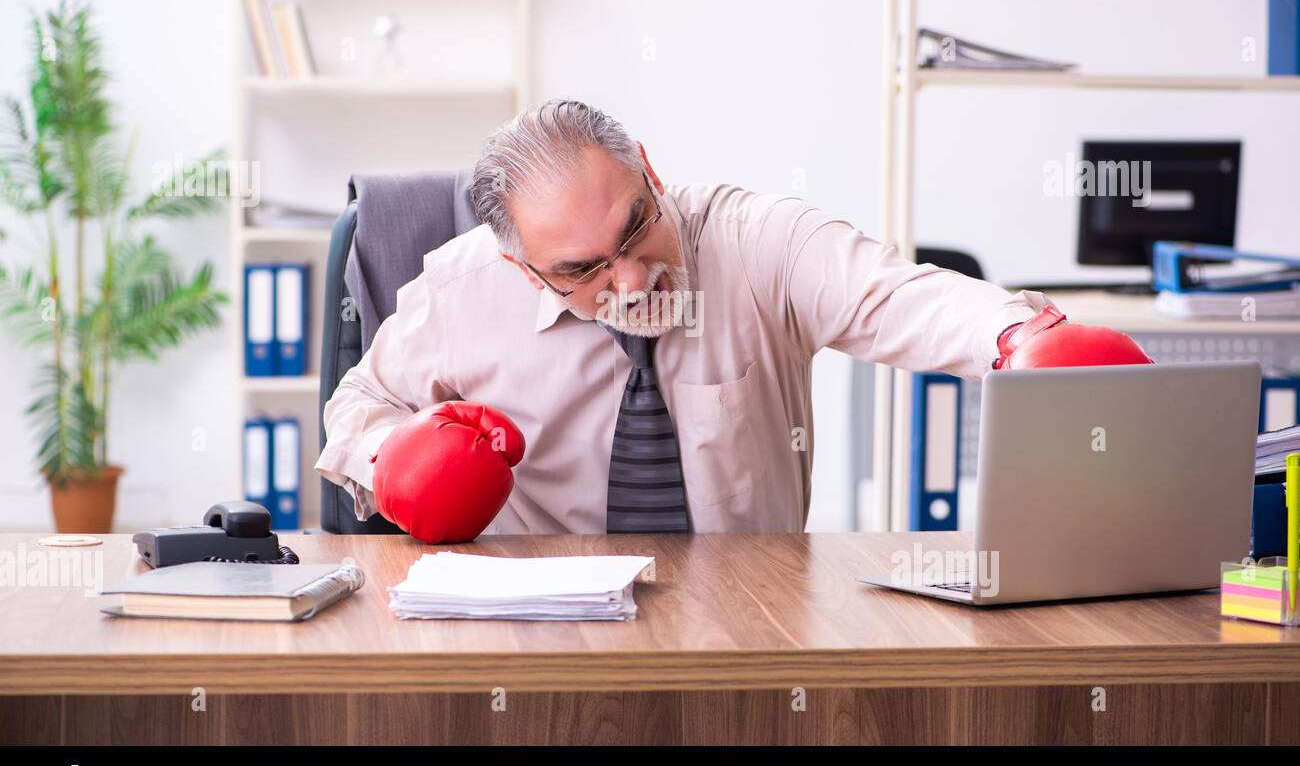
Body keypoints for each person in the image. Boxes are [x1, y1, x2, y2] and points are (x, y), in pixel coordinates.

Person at [315, 99, 1149, 538]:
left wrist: (1019, 337)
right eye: (581, 270)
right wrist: (396, 454)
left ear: (647, 166)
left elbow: (898, 294)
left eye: (637, 224)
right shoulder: (465, 287)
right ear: (519, 264)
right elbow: (356, 406)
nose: (634, 277)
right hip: (545, 637)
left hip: (754, 631)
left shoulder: (761, 242)